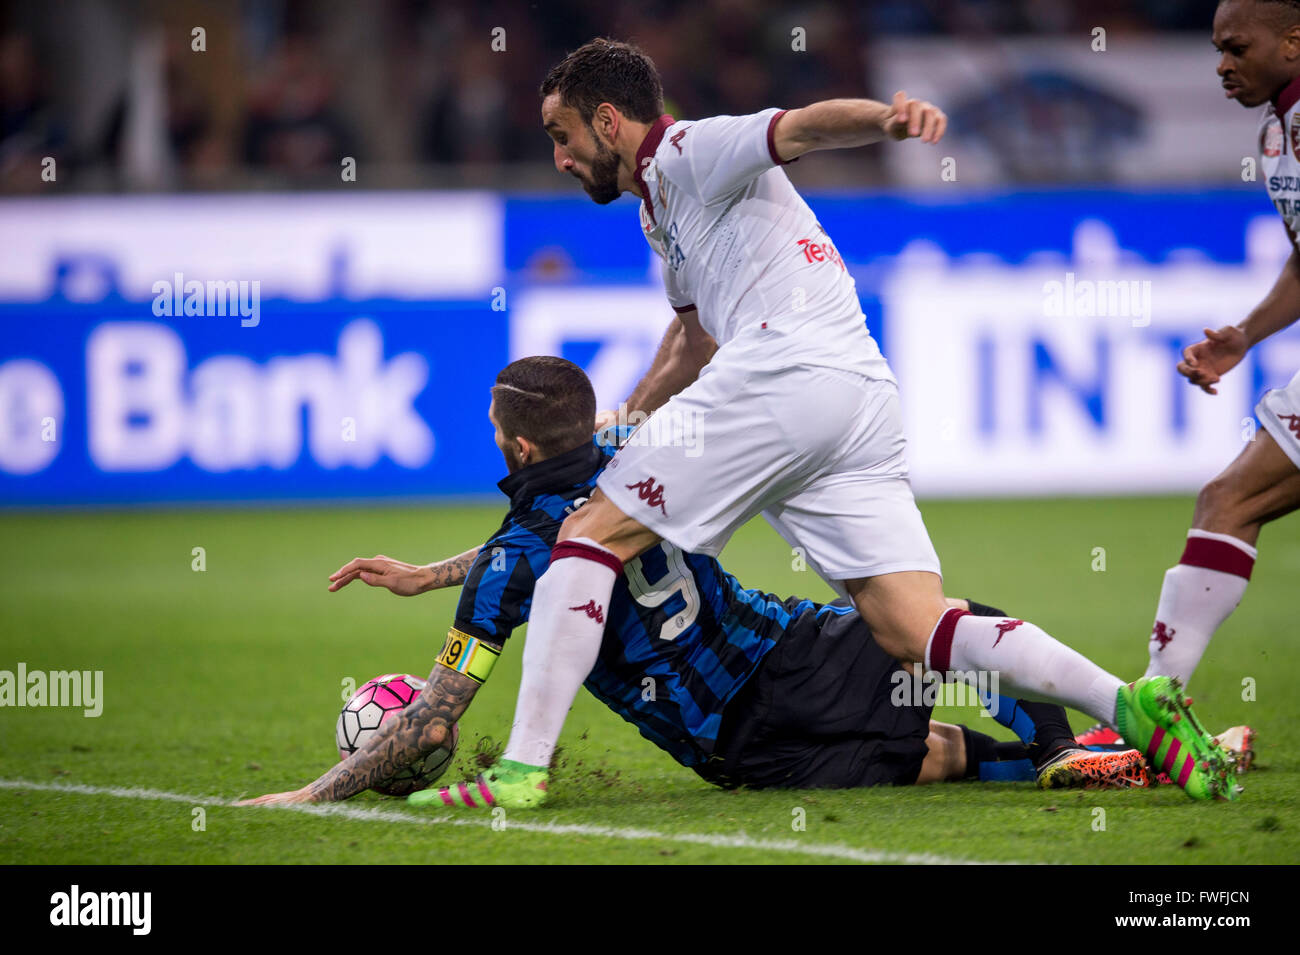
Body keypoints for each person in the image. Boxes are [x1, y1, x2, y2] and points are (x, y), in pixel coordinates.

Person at [455, 39, 1236, 804]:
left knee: (588, 535)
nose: (559, 157)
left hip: (784, 373)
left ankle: (522, 771)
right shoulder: (663, 216)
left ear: (607, 119)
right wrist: (626, 418)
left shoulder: (689, 150)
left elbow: (797, 127)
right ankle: (1127, 703)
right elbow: (693, 338)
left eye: (562, 136)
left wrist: (887, 121)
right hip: (857, 394)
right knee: (914, 627)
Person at [236, 358, 1153, 808]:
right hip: (785, 650)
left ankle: (1062, 748)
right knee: (934, 659)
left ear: (515, 445)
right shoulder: (643, 460)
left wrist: (314, 794)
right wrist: (428, 576)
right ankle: (1093, 742)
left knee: (927, 717)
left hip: (727, 740)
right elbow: (559, 546)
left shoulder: (516, 561)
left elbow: (435, 719)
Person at [1080, 0, 1296, 755]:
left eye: (1237, 46)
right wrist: (1246, 334)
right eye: (1215, 48)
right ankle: (1156, 706)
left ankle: (1152, 713)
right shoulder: (1276, 136)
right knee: (1228, 499)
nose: (1221, 63)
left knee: (1228, 499)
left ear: (1294, 40)